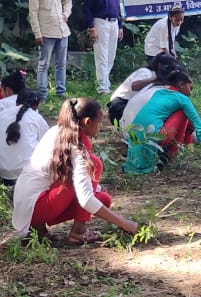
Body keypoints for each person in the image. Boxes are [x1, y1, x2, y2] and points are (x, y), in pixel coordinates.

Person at [12, 98, 139, 243]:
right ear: (87, 122)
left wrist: (94, 186)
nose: (100, 126)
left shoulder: (57, 130)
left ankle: (39, 229)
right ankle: (78, 231)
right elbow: (85, 200)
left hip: (27, 206)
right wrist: (125, 223)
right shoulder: (76, 147)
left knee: (103, 198)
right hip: (37, 208)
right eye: (99, 122)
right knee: (94, 164)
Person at [123, 70, 201, 174]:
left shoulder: (158, 93)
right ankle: (173, 154)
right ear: (181, 84)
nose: (191, 93)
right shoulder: (182, 98)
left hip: (133, 135)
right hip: (154, 137)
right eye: (191, 88)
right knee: (183, 113)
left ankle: (183, 148)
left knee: (178, 113)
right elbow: (199, 126)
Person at [28, 0, 72, 100]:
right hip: (46, 33)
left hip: (63, 31)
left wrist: (66, 14)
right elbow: (33, 13)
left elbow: (68, 2)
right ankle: (42, 94)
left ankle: (61, 91)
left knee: (61, 63)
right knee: (44, 64)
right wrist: (37, 34)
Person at [83, 0, 123, 94]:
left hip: (114, 23)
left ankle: (105, 83)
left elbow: (117, 7)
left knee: (111, 55)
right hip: (100, 22)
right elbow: (87, 7)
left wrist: (121, 26)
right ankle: (102, 87)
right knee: (102, 56)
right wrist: (91, 27)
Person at [0, 89, 48, 186]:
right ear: (37, 105)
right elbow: (47, 141)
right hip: (26, 170)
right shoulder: (37, 118)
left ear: (16, 102)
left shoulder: (2, 114)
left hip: (2, 169)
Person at [107, 54, 178, 126]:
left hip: (128, 106)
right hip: (119, 105)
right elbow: (134, 86)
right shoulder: (146, 72)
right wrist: (155, 79)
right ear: (159, 65)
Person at [0, 71, 29, 174]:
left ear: (8, 90)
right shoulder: (30, 102)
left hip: (3, 165)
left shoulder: (0, 104)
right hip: (27, 163)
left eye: (1, 90)